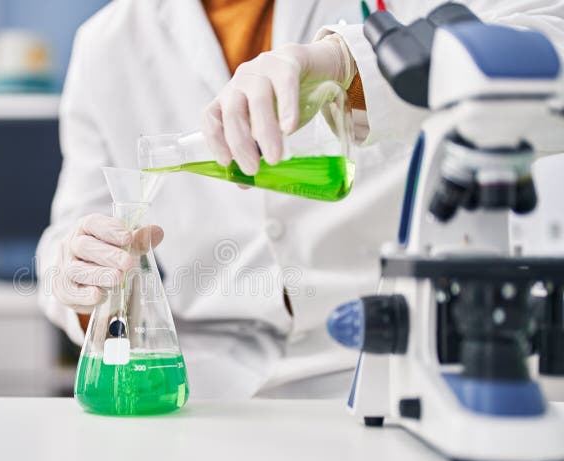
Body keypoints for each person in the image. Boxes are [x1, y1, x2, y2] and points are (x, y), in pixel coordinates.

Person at [38, 0, 564, 399]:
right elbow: (69, 235)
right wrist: (77, 273)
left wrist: (351, 66)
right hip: (204, 394)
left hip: (395, 373)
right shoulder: (107, 43)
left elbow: (552, 43)